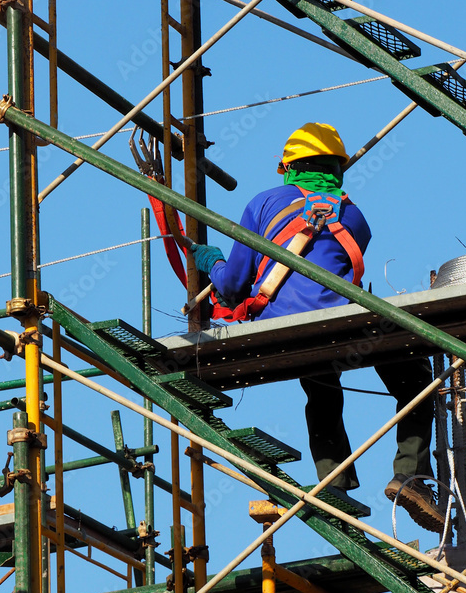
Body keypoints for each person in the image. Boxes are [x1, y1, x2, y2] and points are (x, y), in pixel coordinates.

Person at [189, 122, 444, 533]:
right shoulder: (354, 216)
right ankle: (410, 475)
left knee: (321, 386)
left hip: (284, 327)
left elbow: (233, 287)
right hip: (344, 321)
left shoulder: (263, 204)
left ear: (288, 167)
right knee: (413, 380)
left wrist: (212, 263)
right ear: (337, 169)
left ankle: (335, 484)